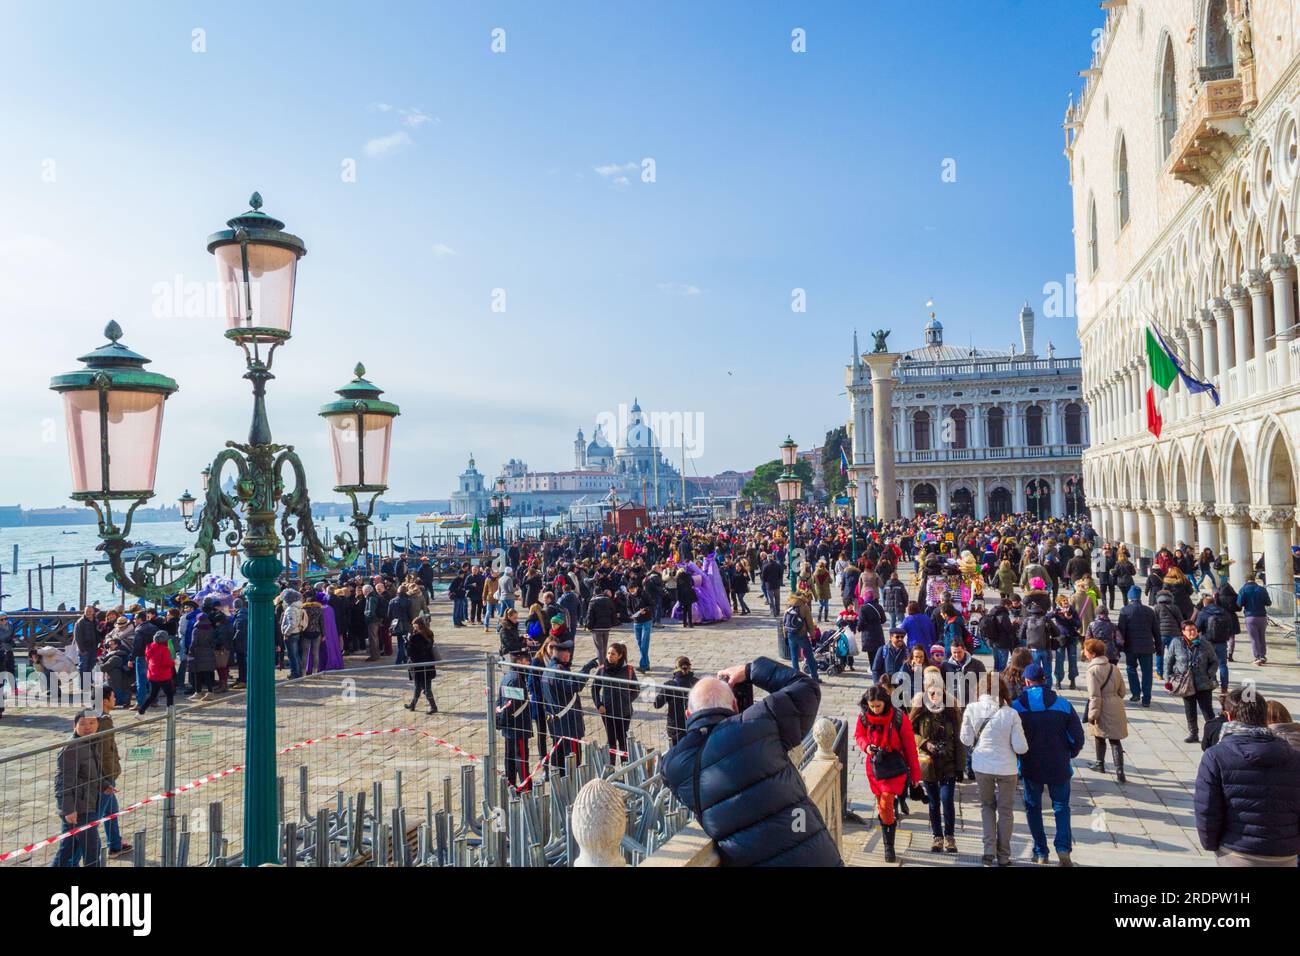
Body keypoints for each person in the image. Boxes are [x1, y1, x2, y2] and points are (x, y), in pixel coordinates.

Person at [1195, 687, 1300, 866]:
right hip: (1285, 853)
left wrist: (1212, 844)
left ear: (1228, 717)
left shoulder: (1216, 755)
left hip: (1237, 851)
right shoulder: (1294, 756)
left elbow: (1207, 809)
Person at [1013, 661, 1084, 866]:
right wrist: (1069, 753)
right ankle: (1063, 849)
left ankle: (1040, 851)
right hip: (1058, 764)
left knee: (1033, 807)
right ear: (1044, 680)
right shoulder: (1062, 704)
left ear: (1026, 681)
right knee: (1061, 807)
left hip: (1030, 765)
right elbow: (1077, 737)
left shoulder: (1017, 706)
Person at [961, 673, 1027, 867]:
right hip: (1007, 768)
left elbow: (965, 739)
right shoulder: (1011, 713)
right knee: (1006, 811)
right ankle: (1004, 855)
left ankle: (988, 851)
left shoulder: (972, 709)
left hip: (982, 765)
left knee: (987, 807)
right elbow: (1021, 747)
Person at [856, 684, 922, 863]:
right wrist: (866, 746)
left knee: (886, 801)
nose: (875, 710)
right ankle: (888, 831)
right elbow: (858, 736)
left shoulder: (900, 718)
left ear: (885, 702)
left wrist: (916, 775)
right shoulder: (863, 717)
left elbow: (910, 748)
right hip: (875, 766)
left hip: (894, 767)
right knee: (882, 804)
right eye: (872, 706)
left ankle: (888, 847)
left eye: (878, 706)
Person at [910, 669, 963, 854]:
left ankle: (950, 837)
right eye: (931, 692)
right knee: (933, 802)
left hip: (947, 761)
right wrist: (925, 743)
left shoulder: (951, 708)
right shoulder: (919, 707)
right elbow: (910, 733)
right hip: (928, 763)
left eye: (938, 692)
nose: (935, 696)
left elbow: (959, 739)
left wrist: (960, 767)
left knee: (947, 800)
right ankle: (937, 837)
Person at [52, 709, 104, 867]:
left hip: (87, 803)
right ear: (74, 726)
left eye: (91, 723)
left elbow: (89, 773)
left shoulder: (89, 741)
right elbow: (62, 782)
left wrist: (105, 785)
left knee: (67, 849)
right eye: (82, 724)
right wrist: (68, 810)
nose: (87, 727)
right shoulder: (72, 749)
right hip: (79, 809)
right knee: (92, 850)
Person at [1165, 619, 1219, 743]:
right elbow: (1169, 661)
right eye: (1189, 630)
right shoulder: (1176, 643)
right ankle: (1193, 733)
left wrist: (1209, 673)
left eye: (1194, 630)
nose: (1193, 632)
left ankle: (1212, 735)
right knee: (1190, 709)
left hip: (1203, 683)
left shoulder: (1205, 644)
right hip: (1185, 683)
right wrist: (1168, 678)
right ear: (1183, 632)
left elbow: (1214, 661)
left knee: (1207, 711)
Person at [1082, 637, 1128, 782]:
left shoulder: (1092, 671)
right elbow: (1122, 691)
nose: (1084, 653)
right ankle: (1120, 770)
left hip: (1102, 706)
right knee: (1115, 740)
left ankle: (1100, 763)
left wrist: (1092, 714)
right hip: (1116, 705)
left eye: (1086, 651)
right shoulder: (1114, 667)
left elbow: (1094, 695)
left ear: (1093, 654)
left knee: (1099, 736)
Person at [96, 687, 132, 858]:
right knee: (92, 820)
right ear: (104, 700)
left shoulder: (100, 717)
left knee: (111, 811)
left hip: (107, 774)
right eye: (113, 696)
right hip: (104, 776)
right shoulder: (102, 721)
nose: (115, 698)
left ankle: (115, 845)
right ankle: (75, 858)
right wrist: (107, 778)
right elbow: (103, 752)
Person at [591, 642, 639, 762]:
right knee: (611, 741)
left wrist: (627, 701)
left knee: (623, 740)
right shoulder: (602, 670)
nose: (610, 656)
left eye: (613, 654)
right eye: (608, 653)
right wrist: (599, 704)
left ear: (620, 655)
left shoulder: (628, 670)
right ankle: (611, 768)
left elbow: (636, 689)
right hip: (608, 712)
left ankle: (625, 768)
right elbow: (594, 688)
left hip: (624, 712)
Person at [496, 646, 534, 790]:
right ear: (519, 660)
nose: (529, 662)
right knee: (521, 758)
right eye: (526, 660)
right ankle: (526, 788)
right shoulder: (516, 680)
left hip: (511, 726)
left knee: (510, 758)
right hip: (517, 726)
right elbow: (513, 706)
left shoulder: (509, 676)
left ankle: (512, 785)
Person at [1117, 585, 1159, 707]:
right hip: (1147, 647)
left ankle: (1135, 693)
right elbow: (1156, 631)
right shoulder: (1149, 611)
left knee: (1131, 668)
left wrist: (1120, 647)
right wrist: (1159, 648)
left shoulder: (1125, 611)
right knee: (1147, 672)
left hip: (1130, 647)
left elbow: (1121, 631)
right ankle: (1146, 698)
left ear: (1130, 598)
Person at [653, 656, 699, 747]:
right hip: (693, 724)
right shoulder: (697, 682)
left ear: (675, 667)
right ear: (690, 667)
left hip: (675, 727)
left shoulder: (670, 685)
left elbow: (657, 704)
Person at [1017, 600, 1059, 690]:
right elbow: (1057, 633)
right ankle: (1047, 690)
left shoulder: (1027, 620)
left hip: (1032, 649)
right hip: (1045, 649)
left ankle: (1035, 689)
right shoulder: (1046, 620)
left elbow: (1021, 635)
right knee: (1047, 672)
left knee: (1034, 672)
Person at [403, 617, 438, 714]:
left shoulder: (416, 637)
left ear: (417, 625)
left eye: (414, 625)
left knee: (426, 688)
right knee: (418, 687)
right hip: (428, 664)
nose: (413, 627)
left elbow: (410, 653)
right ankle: (413, 705)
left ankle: (433, 707)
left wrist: (406, 643)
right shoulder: (429, 634)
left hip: (419, 666)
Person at [137, 632, 177, 715]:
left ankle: (141, 710)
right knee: (170, 694)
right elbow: (166, 662)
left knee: (152, 695)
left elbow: (148, 660)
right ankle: (170, 713)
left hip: (153, 675)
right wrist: (173, 663)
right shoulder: (164, 649)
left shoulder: (149, 647)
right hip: (163, 675)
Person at [1236, 573, 1272, 666]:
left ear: (1246, 580)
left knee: (1254, 638)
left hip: (1250, 616)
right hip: (1262, 616)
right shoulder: (1262, 589)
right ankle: (1263, 655)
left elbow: (1239, 604)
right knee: (1261, 637)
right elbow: (1268, 602)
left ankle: (1258, 656)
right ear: (1254, 580)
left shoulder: (1243, 590)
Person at [783, 593, 819, 683]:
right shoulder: (804, 607)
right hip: (801, 634)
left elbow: (784, 622)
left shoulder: (788, 604)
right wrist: (813, 637)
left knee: (794, 656)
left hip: (791, 634)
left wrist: (785, 636)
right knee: (809, 655)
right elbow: (810, 624)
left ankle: (796, 678)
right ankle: (814, 677)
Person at [73, 605, 99, 674]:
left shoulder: (96, 620)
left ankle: (87, 683)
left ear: (93, 612)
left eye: (90, 611)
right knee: (83, 667)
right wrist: (82, 650)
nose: (88, 613)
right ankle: (82, 684)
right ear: (84, 612)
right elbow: (77, 637)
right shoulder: (80, 622)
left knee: (91, 666)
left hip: (94, 648)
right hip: (84, 648)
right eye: (86, 611)